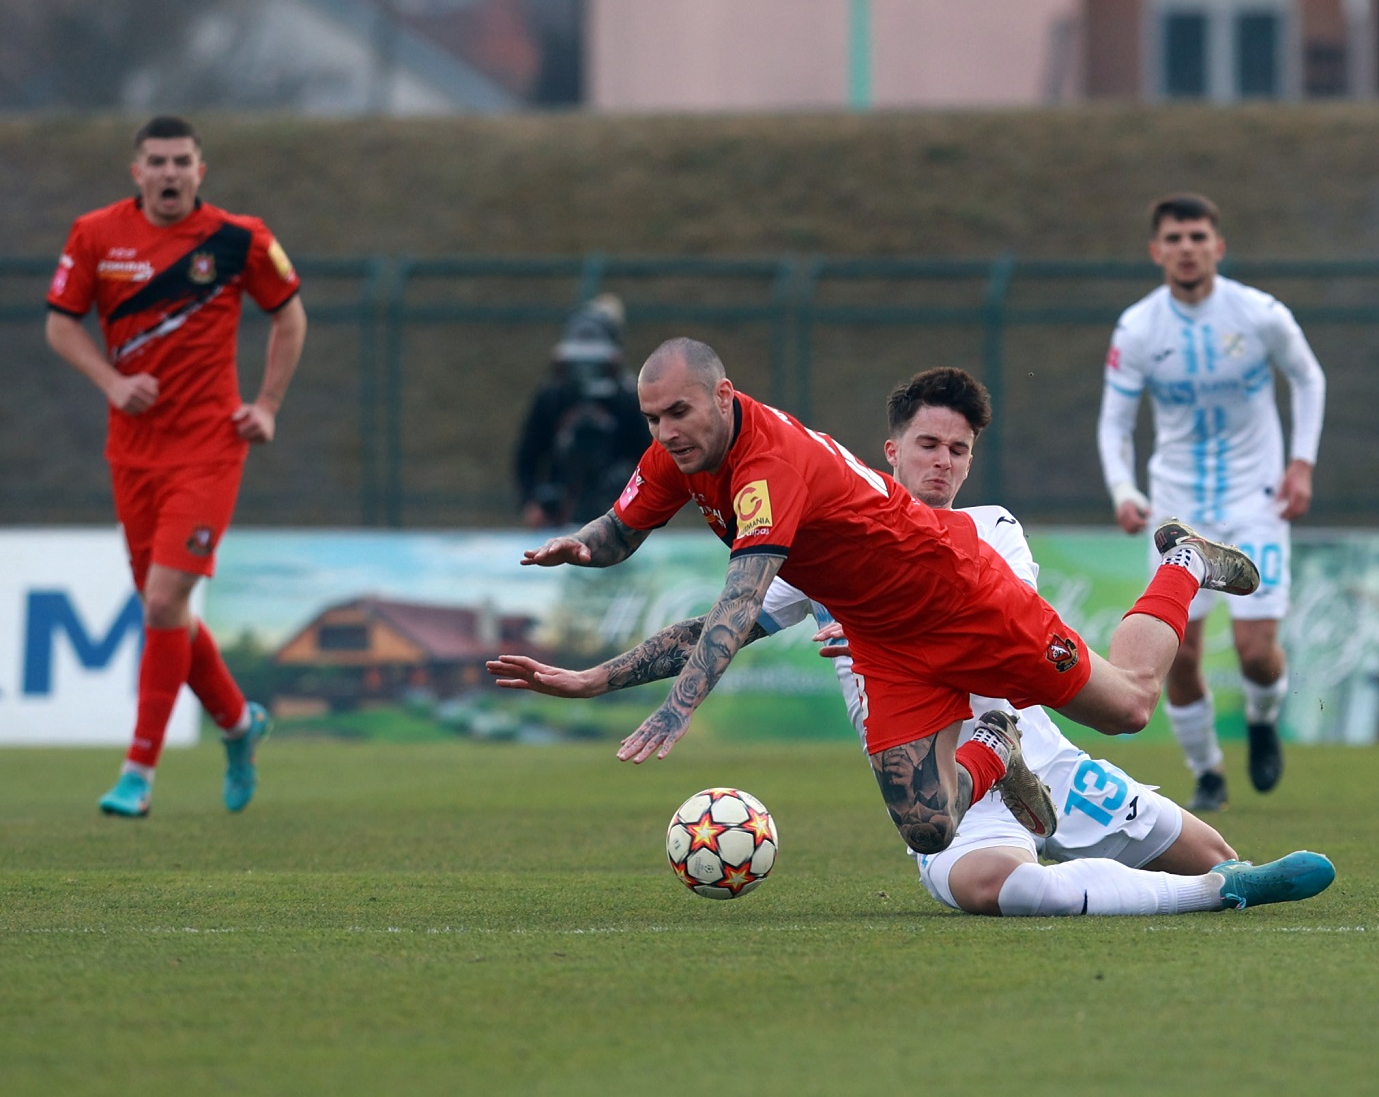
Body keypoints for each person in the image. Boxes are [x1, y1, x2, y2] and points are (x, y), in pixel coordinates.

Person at [488, 339, 1328, 912]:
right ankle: (998, 754)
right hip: (893, 644)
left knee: (1133, 704)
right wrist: (591, 608)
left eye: (678, 415)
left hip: (966, 614)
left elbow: (741, 601)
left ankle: (1179, 567)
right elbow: (652, 556)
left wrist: (677, 710)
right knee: (931, 825)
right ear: (889, 450)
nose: (665, 434)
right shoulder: (696, 461)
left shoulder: (801, 477)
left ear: (723, 397)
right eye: (653, 419)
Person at [758, 367, 1334, 915]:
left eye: (958, 451)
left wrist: (880, 627)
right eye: (928, 445)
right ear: (892, 451)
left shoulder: (993, 528)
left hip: (1038, 754)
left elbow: (995, 636)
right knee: (1000, 887)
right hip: (946, 783)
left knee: (1213, 855)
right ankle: (1212, 893)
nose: (942, 462)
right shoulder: (833, 547)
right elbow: (723, 629)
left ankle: (1182, 566)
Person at [45, 115, 306, 818]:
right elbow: (60, 323)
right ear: (136, 172)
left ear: (201, 169)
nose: (168, 172)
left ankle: (139, 772)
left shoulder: (238, 239)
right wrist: (112, 383)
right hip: (131, 453)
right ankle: (240, 724)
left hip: (209, 448)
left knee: (163, 604)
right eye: (156, 161)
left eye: (181, 161)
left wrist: (268, 404)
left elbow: (290, 316)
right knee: (169, 614)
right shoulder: (96, 234)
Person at [1097, 193, 1327, 811]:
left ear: (1218, 247)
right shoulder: (1139, 328)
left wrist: (1301, 463)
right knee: (1184, 652)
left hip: (1257, 501)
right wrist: (1124, 491)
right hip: (1177, 510)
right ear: (1156, 251)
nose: (1187, 248)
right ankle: (1207, 773)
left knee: (1257, 654)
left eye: (1198, 236)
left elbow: (1309, 377)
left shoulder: (1259, 314)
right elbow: (1114, 423)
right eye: (1174, 238)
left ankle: (1261, 716)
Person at [513, 294, 652, 527]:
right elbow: (527, 456)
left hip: (619, 511)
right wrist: (532, 501)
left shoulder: (627, 399)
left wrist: (640, 503)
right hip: (560, 512)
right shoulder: (553, 398)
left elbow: (650, 458)